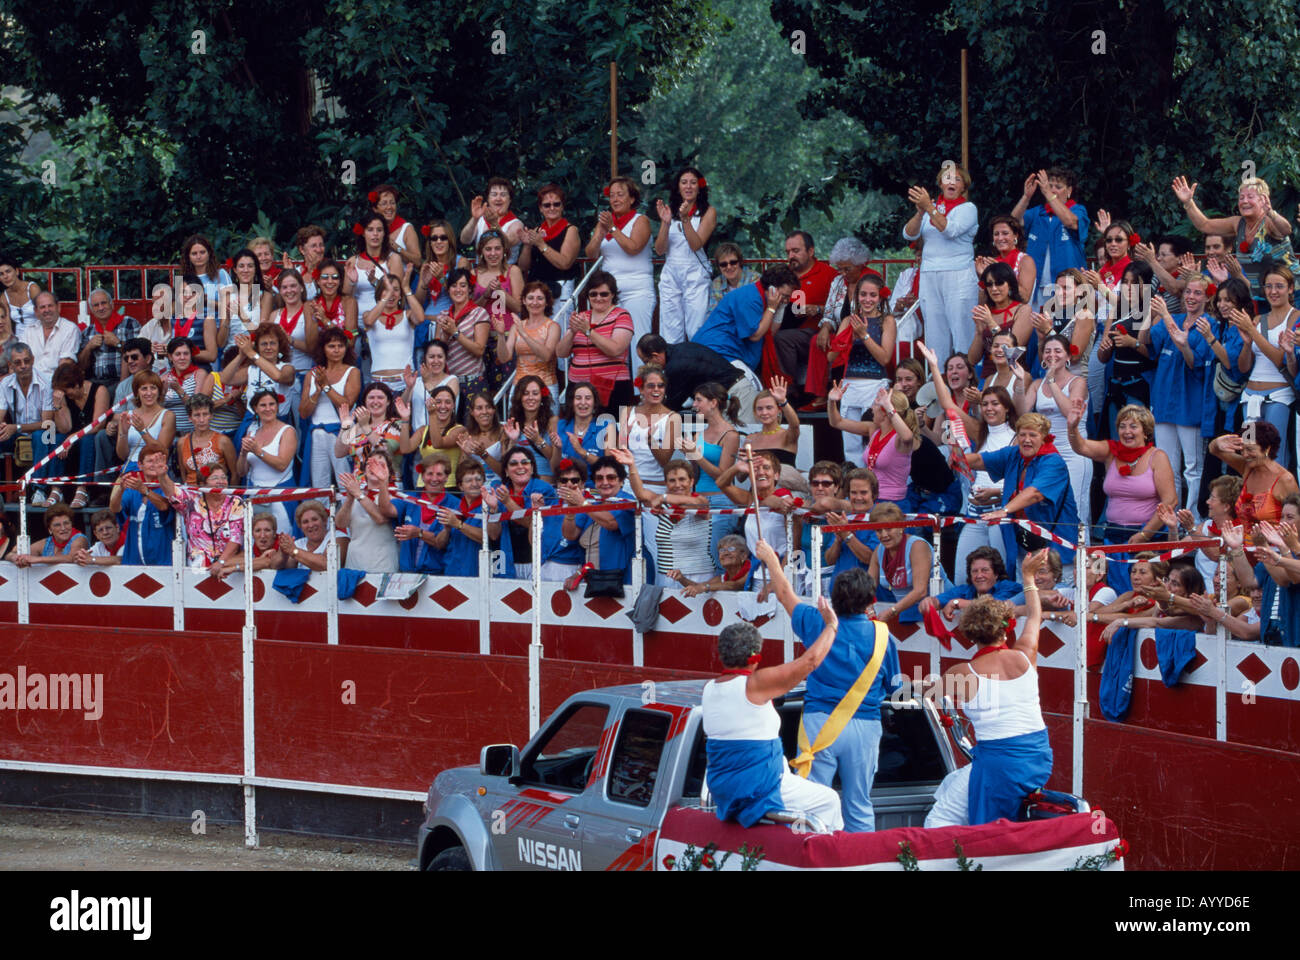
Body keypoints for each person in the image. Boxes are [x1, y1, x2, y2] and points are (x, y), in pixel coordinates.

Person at [702, 565, 843, 832]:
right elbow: (810, 662)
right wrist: (832, 626)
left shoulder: (710, 688)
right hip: (755, 784)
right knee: (829, 800)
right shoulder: (755, 684)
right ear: (756, 657)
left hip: (723, 784)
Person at [939, 550, 1054, 826]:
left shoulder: (961, 673)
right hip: (1039, 759)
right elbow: (1035, 616)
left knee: (954, 822)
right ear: (1007, 628)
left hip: (998, 765)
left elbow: (922, 692)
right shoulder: (1025, 654)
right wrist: (1028, 576)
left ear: (969, 635)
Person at [916, 342, 1017, 579]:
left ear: (1006, 409)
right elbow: (948, 405)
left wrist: (995, 493)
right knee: (962, 573)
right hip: (973, 513)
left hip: (998, 512)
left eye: (995, 404)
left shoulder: (1016, 436)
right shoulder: (979, 431)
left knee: (1002, 574)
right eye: (985, 405)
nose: (990, 409)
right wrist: (933, 365)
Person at [964, 411, 1079, 577]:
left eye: (1033, 435)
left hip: (1057, 549)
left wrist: (1004, 510)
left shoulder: (1054, 462)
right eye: (1022, 434)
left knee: (1056, 597)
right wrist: (958, 458)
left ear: (1045, 437)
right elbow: (980, 460)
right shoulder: (1013, 454)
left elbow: (1035, 493)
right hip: (1025, 544)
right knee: (1026, 593)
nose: (1026, 440)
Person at [1172, 174, 1294, 307]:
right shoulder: (1237, 223)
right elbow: (1204, 225)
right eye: (1241, 198)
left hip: (1290, 293)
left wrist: (1271, 213)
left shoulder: (1269, 221)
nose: (1244, 201)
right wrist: (1188, 203)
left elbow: (1286, 230)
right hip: (1261, 295)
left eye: (1250, 197)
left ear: (1263, 200)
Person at [1148, 281, 1214, 516]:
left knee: (1193, 468)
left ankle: (1193, 519)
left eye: (1198, 292)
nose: (1191, 297)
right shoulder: (1172, 319)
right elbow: (1146, 344)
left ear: (1207, 298)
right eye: (1188, 291)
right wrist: (1152, 314)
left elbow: (1196, 364)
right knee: (1168, 469)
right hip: (1164, 403)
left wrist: (1165, 316)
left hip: (1190, 406)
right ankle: (1171, 520)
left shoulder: (1210, 325)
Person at [903, 161, 980, 363]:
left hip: (959, 273)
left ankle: (968, 379)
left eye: (957, 179)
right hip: (930, 274)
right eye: (947, 179)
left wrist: (929, 207)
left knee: (962, 328)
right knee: (935, 329)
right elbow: (909, 234)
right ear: (940, 184)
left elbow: (950, 230)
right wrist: (921, 212)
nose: (952, 182)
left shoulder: (968, 208)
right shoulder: (929, 210)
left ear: (964, 186)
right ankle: (940, 381)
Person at [611, 449, 712, 589]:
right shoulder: (663, 502)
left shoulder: (699, 500)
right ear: (666, 483)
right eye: (672, 480)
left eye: (682, 479)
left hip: (698, 575)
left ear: (691, 481)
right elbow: (640, 493)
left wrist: (664, 497)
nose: (677, 485)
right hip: (668, 574)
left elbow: (697, 505)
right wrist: (631, 465)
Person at [1230, 266, 1298, 469]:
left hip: (1279, 395)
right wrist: (1247, 343)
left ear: (1291, 289)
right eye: (1269, 286)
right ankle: (1252, 497)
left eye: (1279, 286)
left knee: (1275, 453)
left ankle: (1278, 499)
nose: (1273, 291)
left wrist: (1253, 331)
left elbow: (1280, 359)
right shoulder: (1259, 320)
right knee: (1248, 450)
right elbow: (1244, 367)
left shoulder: (1295, 317)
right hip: (1250, 396)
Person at [825, 273, 896, 464]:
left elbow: (885, 358)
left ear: (880, 297)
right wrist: (846, 340)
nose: (867, 299)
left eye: (872, 295)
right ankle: (854, 486)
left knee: (872, 439)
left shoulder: (887, 321)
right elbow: (831, 356)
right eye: (863, 294)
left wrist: (864, 336)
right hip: (849, 385)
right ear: (857, 297)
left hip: (875, 386)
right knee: (850, 444)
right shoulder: (849, 321)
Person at [692, 264, 798, 383]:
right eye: (784, 296)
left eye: (788, 297)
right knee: (748, 390)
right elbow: (755, 335)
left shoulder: (762, 296)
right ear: (772, 288)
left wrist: (780, 307)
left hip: (729, 354)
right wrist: (772, 308)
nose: (786, 300)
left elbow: (771, 331)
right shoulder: (750, 297)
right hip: (716, 352)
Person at [585, 176, 654, 353]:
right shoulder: (605, 223)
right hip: (609, 292)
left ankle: (641, 380)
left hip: (637, 289)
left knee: (639, 342)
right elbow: (590, 254)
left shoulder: (641, 220)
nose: (615, 199)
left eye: (620, 195)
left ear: (632, 198)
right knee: (609, 340)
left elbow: (633, 248)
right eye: (612, 195)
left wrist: (612, 228)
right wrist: (600, 233)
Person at [678, 379, 741, 571]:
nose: (694, 405)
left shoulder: (731, 435)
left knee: (720, 559)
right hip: (699, 502)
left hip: (721, 501)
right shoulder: (700, 433)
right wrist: (689, 457)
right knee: (701, 560)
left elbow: (723, 476)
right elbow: (695, 473)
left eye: (698, 400)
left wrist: (696, 456)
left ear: (713, 403)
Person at [771, 231, 838, 402]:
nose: (791, 256)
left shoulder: (829, 275)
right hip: (787, 330)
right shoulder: (783, 275)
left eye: (795, 251)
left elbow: (842, 307)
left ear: (810, 251)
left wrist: (817, 309)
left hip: (817, 333)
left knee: (782, 338)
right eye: (788, 252)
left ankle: (789, 390)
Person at [636, 333, 758, 424]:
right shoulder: (682, 348)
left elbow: (672, 405)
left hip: (737, 395)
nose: (648, 366)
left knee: (743, 444)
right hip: (730, 394)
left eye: (647, 361)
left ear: (655, 356)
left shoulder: (676, 366)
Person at [654, 166, 716, 342]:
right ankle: (673, 369)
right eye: (684, 182)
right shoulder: (669, 211)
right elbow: (659, 250)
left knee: (696, 327)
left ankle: (698, 368)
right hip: (671, 272)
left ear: (699, 187)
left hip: (696, 273)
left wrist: (685, 219)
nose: (688, 187)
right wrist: (665, 223)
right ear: (678, 187)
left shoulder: (708, 211)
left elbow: (696, 245)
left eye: (693, 182)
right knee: (670, 329)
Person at [556, 270, 634, 410]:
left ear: (613, 295)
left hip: (613, 388)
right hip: (578, 388)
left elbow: (615, 349)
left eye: (604, 294)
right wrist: (572, 332)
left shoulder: (622, 315)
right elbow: (561, 353)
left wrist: (588, 331)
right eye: (593, 294)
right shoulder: (582, 316)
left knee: (611, 431)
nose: (598, 298)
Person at [828, 385, 918, 507]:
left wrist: (889, 407)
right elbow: (837, 422)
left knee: (827, 505)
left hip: (891, 504)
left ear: (884, 412)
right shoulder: (873, 429)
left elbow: (908, 437)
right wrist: (831, 401)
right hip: (869, 499)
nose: (871, 408)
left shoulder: (899, 438)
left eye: (875, 404)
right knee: (824, 505)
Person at [1208, 422, 1298, 542]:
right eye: (1242, 449)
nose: (1245, 455)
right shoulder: (1247, 467)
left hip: (1272, 552)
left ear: (1267, 448)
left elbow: (1298, 519)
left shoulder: (1285, 480)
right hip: (1241, 548)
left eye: (1250, 449)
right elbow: (1214, 450)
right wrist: (1217, 442)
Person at [1011, 167, 1087, 305]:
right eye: (1049, 186)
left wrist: (1047, 191)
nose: (1052, 190)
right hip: (1036, 285)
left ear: (1069, 191)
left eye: (1058, 187)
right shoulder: (1037, 212)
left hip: (1067, 287)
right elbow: (1012, 223)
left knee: (1065, 324)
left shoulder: (1077, 210)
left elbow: (1070, 222)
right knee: (1036, 324)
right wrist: (1026, 197)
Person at [561, 455, 638, 587]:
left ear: (621, 481)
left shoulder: (628, 502)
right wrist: (570, 509)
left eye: (611, 477)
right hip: (595, 580)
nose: (605, 482)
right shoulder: (593, 503)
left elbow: (611, 523)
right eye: (599, 478)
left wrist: (582, 503)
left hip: (622, 580)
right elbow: (570, 535)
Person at [299, 326, 361, 487]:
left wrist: (326, 387)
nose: (336, 350)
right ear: (323, 348)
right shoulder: (311, 375)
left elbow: (347, 404)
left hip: (341, 431)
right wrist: (317, 392)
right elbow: (303, 413)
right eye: (331, 346)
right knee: (319, 484)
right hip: (317, 432)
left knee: (346, 482)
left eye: (340, 346)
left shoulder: (352, 372)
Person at [158, 464, 244, 579]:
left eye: (224, 477)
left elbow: (236, 537)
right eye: (215, 478)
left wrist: (221, 562)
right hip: (196, 569)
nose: (221, 481)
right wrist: (162, 475)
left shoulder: (235, 502)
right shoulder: (192, 500)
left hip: (228, 568)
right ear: (203, 484)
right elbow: (172, 493)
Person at [49, 360, 110, 507]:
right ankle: (57, 489)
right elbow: (65, 428)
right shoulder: (65, 397)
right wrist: (58, 407)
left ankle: (83, 489)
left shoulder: (99, 390)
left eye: (67, 391)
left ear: (77, 385)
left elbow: (98, 423)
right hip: (74, 438)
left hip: (93, 436)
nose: (66, 395)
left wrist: (72, 437)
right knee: (57, 438)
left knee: (87, 440)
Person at [237, 388, 298, 535]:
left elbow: (282, 465)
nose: (268, 409)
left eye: (272, 404)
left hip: (280, 495)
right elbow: (241, 471)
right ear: (255, 409)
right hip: (255, 494)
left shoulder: (287, 431)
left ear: (277, 406)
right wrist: (243, 454)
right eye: (263, 405)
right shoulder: (252, 431)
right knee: (255, 541)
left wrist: (258, 451)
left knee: (282, 539)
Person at [493, 446, 557, 581]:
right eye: (513, 464)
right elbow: (493, 535)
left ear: (532, 468)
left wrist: (507, 502)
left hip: (537, 560)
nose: (520, 467)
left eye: (525, 462)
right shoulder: (500, 491)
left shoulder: (544, 489)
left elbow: (531, 523)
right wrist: (493, 510)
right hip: (506, 560)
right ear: (506, 471)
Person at [867, 502, 934, 627]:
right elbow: (866, 588)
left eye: (888, 528)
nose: (884, 535)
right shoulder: (878, 550)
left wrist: (892, 611)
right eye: (878, 530)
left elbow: (920, 591)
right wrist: (868, 608)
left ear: (901, 527)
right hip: (908, 613)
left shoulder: (917, 546)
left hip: (939, 613)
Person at [495, 281, 560, 406]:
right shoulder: (517, 326)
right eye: (530, 298)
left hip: (545, 384)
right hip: (520, 385)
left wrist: (524, 334)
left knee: (547, 425)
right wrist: (501, 335)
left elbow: (546, 356)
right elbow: (504, 358)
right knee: (516, 425)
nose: (535, 302)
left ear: (546, 302)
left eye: (540, 298)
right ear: (524, 301)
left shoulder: (553, 327)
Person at [517, 184, 581, 310]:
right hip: (536, 292)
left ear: (562, 206)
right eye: (547, 205)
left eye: (556, 204)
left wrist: (541, 244)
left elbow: (565, 263)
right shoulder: (536, 231)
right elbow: (523, 267)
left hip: (560, 291)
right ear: (541, 208)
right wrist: (527, 245)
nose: (552, 208)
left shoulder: (570, 230)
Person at [440, 459, 507, 577]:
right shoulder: (455, 507)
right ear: (460, 486)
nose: (474, 483)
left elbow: (492, 536)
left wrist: (458, 524)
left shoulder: (491, 504)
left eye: (478, 479)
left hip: (481, 575)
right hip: (453, 572)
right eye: (469, 480)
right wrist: (447, 529)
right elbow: (440, 544)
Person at [220, 323, 296, 425]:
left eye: (272, 343)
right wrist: (241, 356)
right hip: (252, 422)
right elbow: (225, 379)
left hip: (278, 423)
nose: (268, 347)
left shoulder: (287, 367)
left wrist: (251, 353)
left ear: (279, 346)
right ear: (257, 347)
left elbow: (278, 376)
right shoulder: (251, 369)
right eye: (264, 344)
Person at [921, 546, 1022, 621]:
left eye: (985, 570)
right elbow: (938, 601)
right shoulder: (965, 590)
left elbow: (996, 607)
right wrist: (929, 602)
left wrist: (957, 603)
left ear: (996, 573)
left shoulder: (1010, 588)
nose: (979, 575)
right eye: (974, 571)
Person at [433, 268, 491, 399]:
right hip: (448, 382)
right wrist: (446, 335)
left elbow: (479, 350)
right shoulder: (443, 315)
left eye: (463, 285)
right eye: (453, 285)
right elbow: (437, 350)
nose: (458, 289)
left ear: (470, 289)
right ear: (448, 289)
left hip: (473, 381)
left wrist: (455, 332)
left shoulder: (479, 313)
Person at [361, 271, 424, 393]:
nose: (391, 293)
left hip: (405, 382)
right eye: (386, 289)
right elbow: (369, 321)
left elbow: (420, 318)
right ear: (379, 293)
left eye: (396, 289)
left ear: (400, 295)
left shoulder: (408, 315)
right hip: (379, 383)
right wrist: (386, 296)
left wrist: (406, 289)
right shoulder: (369, 315)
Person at [268, 269, 318, 418]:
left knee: (301, 424)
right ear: (280, 291)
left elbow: (313, 348)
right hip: (278, 377)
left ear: (301, 287)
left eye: (293, 286)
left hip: (302, 375)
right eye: (284, 287)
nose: (289, 291)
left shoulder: (308, 309)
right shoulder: (274, 314)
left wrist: (289, 339)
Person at [395, 454, 457, 574]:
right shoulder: (410, 498)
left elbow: (442, 543)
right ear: (422, 476)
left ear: (446, 477)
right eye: (429, 474)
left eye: (439, 474)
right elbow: (386, 510)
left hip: (437, 575)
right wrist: (382, 482)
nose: (434, 479)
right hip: (406, 573)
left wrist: (419, 533)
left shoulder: (455, 505)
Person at [336, 382, 416, 476]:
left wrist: (366, 428)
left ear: (388, 402)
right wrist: (345, 427)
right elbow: (339, 453)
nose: (375, 401)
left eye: (380, 398)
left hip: (387, 484)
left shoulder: (396, 424)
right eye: (371, 398)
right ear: (365, 401)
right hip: (359, 485)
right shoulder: (358, 426)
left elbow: (387, 451)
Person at [337, 453, 399, 574]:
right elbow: (340, 523)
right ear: (364, 471)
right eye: (371, 465)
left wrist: (358, 495)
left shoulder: (394, 497)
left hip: (382, 565)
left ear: (389, 472)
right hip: (354, 565)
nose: (375, 469)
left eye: (381, 465)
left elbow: (380, 518)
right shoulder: (356, 493)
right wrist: (349, 500)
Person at [345, 213, 405, 321]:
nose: (375, 234)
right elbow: (346, 296)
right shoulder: (353, 260)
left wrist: (376, 282)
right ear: (363, 233)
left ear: (384, 234)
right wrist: (352, 282)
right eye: (370, 230)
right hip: (355, 320)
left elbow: (396, 293)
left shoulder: (393, 259)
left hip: (383, 319)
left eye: (379, 230)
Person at [78, 287, 141, 391]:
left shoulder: (129, 323)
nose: (101, 308)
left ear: (111, 304)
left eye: (104, 303)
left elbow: (140, 355)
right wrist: (88, 347)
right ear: (91, 309)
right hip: (96, 382)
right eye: (96, 305)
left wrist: (118, 343)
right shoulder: (88, 332)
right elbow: (81, 366)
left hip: (124, 380)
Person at [114, 370, 175, 471]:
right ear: (137, 392)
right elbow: (122, 455)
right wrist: (123, 433)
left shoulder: (168, 416)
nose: (149, 393)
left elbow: (162, 450)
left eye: (153, 388)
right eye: (144, 389)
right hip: (131, 468)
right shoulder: (127, 415)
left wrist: (142, 431)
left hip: (154, 469)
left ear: (159, 391)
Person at [503, 375, 557, 483]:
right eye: (525, 393)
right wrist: (512, 442)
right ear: (519, 397)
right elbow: (505, 463)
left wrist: (538, 440)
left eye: (535, 393)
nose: (530, 397)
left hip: (543, 484)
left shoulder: (552, 421)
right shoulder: (512, 422)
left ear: (542, 396)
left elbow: (555, 460)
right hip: (519, 486)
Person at [460, 177, 526, 264]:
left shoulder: (517, 224)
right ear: (488, 199)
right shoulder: (480, 219)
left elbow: (507, 244)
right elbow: (465, 240)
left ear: (510, 200)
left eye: (503, 195)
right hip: (480, 272)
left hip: (506, 273)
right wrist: (475, 218)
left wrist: (494, 224)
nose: (498, 198)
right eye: (494, 194)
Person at [177, 394, 237, 486]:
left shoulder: (223, 441)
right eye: (197, 415)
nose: (201, 420)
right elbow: (183, 474)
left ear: (211, 415)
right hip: (192, 494)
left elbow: (234, 474)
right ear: (190, 418)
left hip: (217, 492)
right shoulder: (182, 442)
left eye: (205, 414)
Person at [976, 215, 1038, 305]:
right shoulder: (991, 262)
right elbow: (982, 305)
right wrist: (983, 277)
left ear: (1015, 236)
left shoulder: (1025, 260)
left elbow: (1025, 298)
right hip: (994, 316)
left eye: (1005, 233)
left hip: (1018, 316)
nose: (1000, 238)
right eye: (996, 234)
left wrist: (1002, 274)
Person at [219, 248, 275, 345]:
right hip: (232, 351)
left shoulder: (264, 295)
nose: (245, 270)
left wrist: (242, 315)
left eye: (250, 266)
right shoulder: (228, 296)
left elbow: (261, 336)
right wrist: (227, 321)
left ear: (255, 269)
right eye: (241, 266)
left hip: (254, 351)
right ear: (235, 270)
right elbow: (220, 343)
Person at [548, 382, 606, 474]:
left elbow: (610, 466)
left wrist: (581, 451)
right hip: (567, 484)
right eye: (578, 398)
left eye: (588, 398)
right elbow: (554, 469)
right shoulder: (561, 425)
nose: (583, 402)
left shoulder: (606, 427)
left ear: (594, 403)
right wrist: (558, 449)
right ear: (572, 402)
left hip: (596, 486)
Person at [160, 336, 213, 436]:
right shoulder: (163, 378)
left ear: (191, 356)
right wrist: (162, 394)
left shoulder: (199, 374)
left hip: (193, 433)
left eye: (186, 353)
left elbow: (198, 407)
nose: (182, 358)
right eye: (178, 354)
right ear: (170, 357)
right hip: (169, 434)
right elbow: (157, 409)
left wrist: (179, 390)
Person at [22, 291, 80, 382]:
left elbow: (65, 364)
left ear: (58, 307)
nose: (47, 310)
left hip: (56, 382)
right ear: (36, 311)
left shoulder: (70, 329)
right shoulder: (28, 331)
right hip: (29, 382)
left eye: (50, 306)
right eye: (42, 307)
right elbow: (21, 359)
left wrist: (57, 387)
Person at [455, 391, 507, 487]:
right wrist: (466, 454)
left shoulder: (504, 433)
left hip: (499, 490)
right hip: (474, 490)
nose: (484, 412)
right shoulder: (468, 435)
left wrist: (484, 455)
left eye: (488, 407)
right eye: (479, 408)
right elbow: (460, 476)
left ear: (494, 410)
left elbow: (506, 474)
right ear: (472, 412)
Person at [281, 499, 350, 571]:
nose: (310, 525)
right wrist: (282, 551)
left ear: (324, 521)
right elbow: (286, 567)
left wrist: (294, 551)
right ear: (300, 527)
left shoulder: (338, 537)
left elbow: (328, 564)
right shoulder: (299, 543)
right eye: (305, 522)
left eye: (314, 519)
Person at [12, 503, 88, 567]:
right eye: (57, 525)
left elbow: (72, 558)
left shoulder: (79, 539)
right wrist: (17, 558)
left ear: (71, 524)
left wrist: (37, 559)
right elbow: (13, 553)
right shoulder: (47, 543)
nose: (63, 528)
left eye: (66, 523)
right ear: (50, 530)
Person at [413, 218, 459, 322]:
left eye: (443, 238)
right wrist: (424, 285)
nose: (438, 242)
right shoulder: (427, 265)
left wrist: (441, 279)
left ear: (450, 240)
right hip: (428, 319)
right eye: (434, 238)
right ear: (430, 243)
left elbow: (462, 297)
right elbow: (418, 303)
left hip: (451, 320)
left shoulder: (460, 262)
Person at [370, 183, 422, 269]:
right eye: (384, 203)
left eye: (392, 203)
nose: (389, 207)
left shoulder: (406, 228)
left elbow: (418, 262)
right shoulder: (371, 230)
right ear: (375, 209)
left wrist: (397, 248)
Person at [306, 258, 357, 342]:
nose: (330, 281)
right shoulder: (310, 305)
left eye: (335, 277)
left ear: (340, 281)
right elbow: (310, 346)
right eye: (325, 277)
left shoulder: (350, 303)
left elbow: (351, 340)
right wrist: (314, 320)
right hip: (318, 354)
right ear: (318, 280)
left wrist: (325, 320)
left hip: (345, 354)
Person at [707, 242, 758, 315]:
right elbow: (713, 314)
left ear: (740, 262)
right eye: (723, 264)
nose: (729, 267)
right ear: (719, 267)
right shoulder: (716, 283)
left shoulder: (754, 280)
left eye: (733, 262)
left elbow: (753, 313)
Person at [0, 255, 41, 329]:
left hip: (38, 333)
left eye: (8, 271)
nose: (5, 276)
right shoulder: (4, 297)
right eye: (1, 274)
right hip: (19, 337)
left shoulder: (32, 289)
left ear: (16, 271)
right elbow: (7, 325)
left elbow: (44, 315)